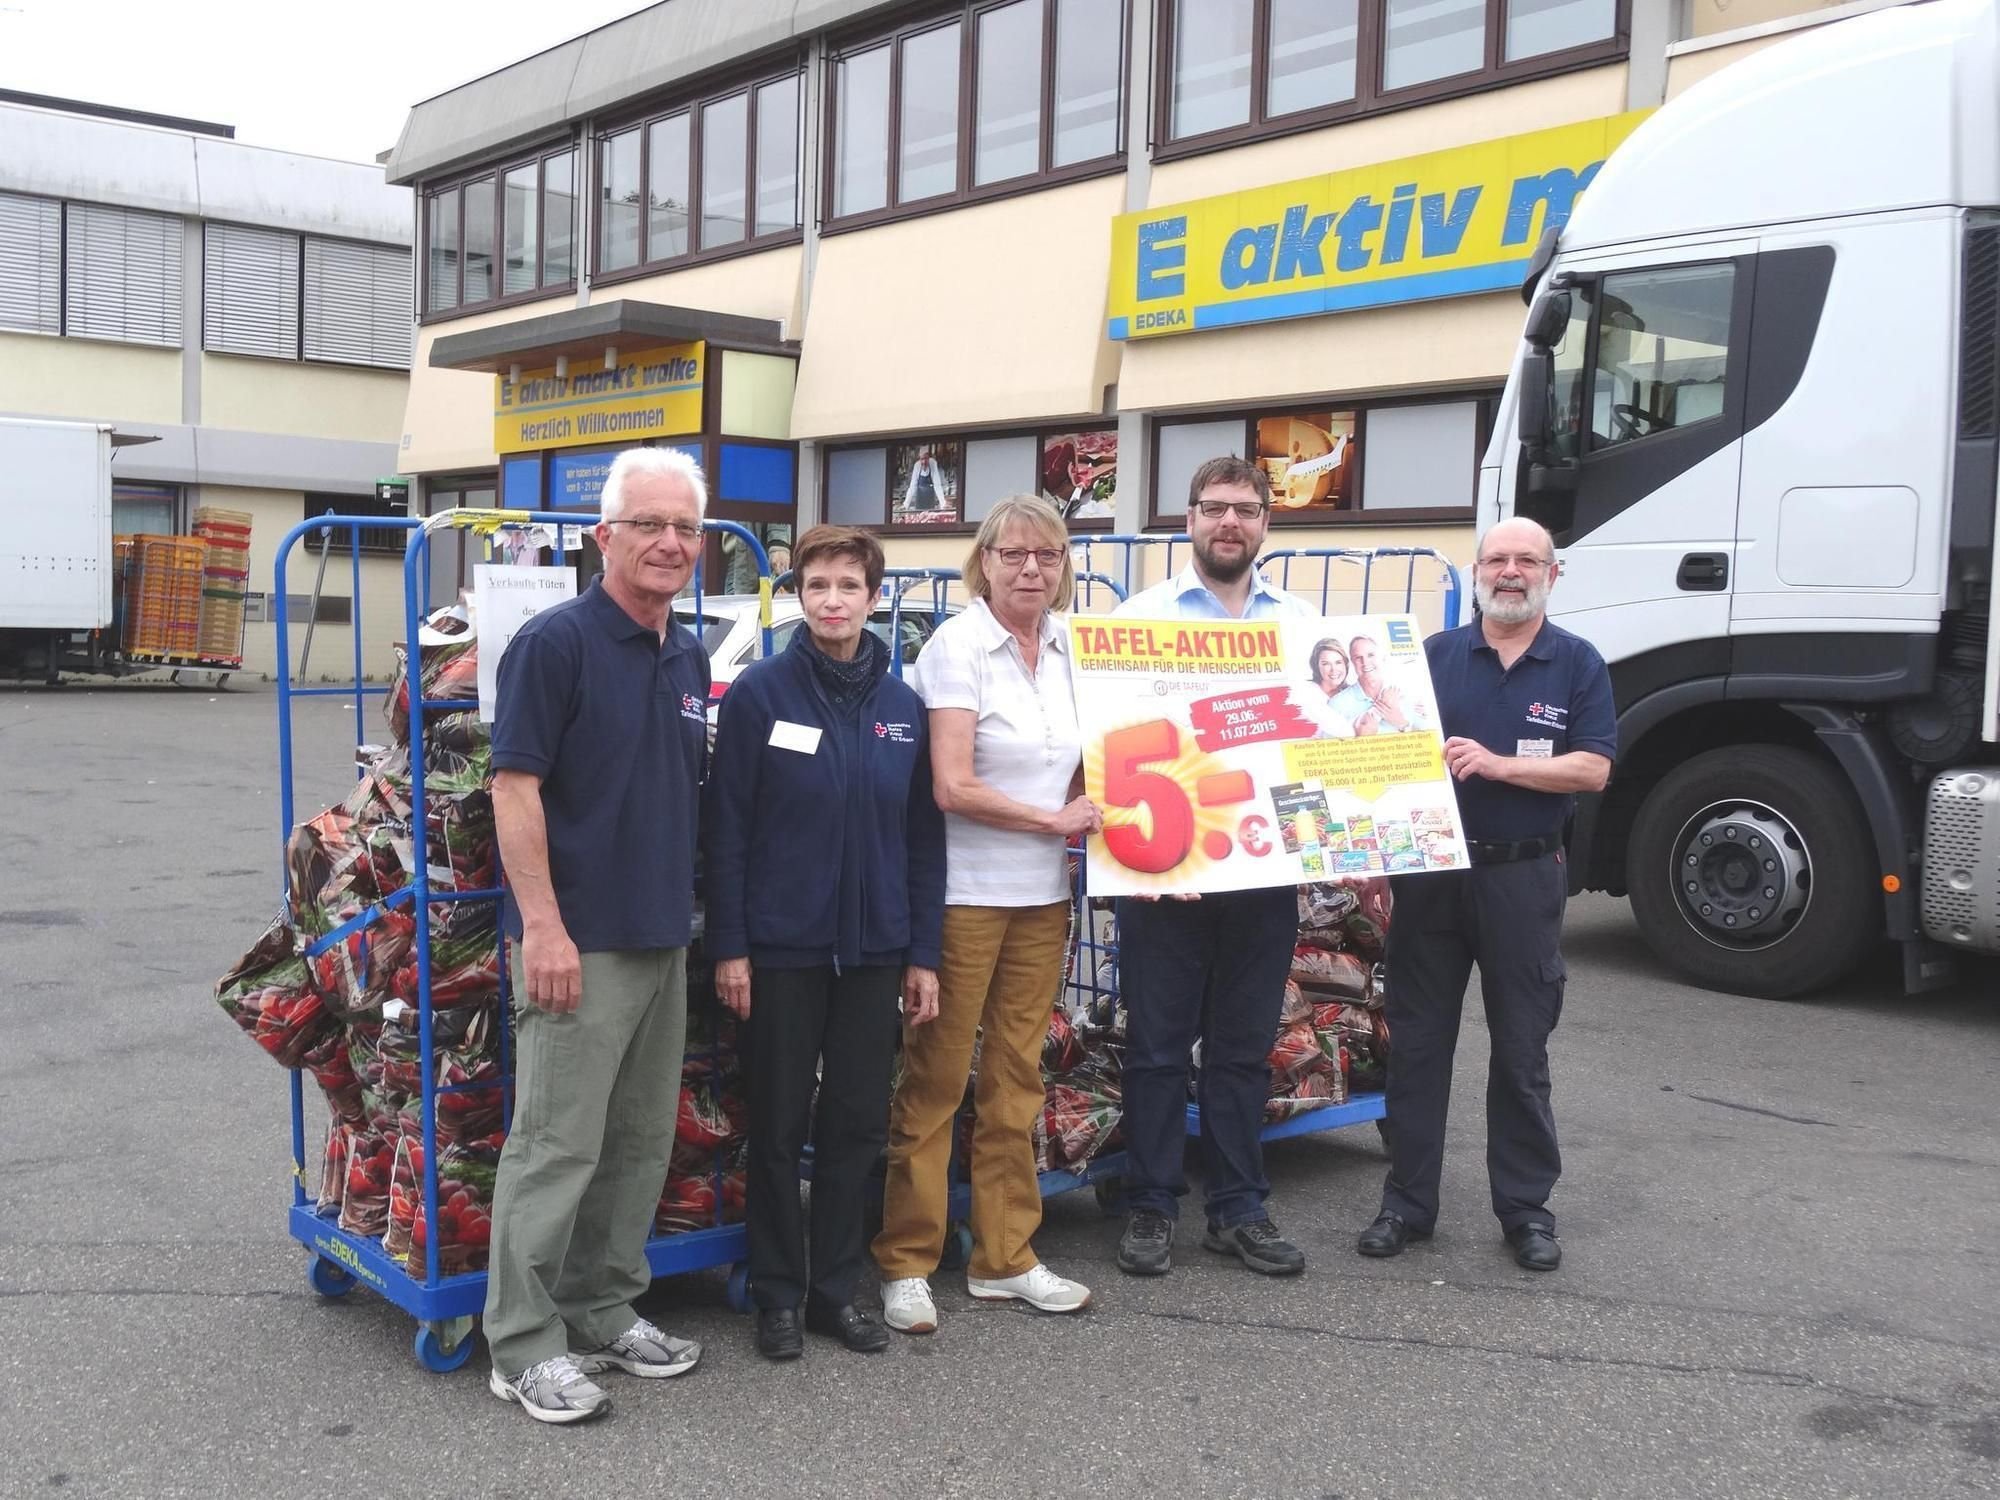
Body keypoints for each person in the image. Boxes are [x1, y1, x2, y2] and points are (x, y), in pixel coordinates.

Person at [484, 447, 711, 1425]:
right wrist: (542, 927)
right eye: (647, 525)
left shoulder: (688, 653)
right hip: (577, 943)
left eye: (684, 528)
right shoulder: (556, 644)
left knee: (634, 1143)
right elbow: (513, 788)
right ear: (602, 536)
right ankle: (522, 1345)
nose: (668, 543)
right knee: (553, 1147)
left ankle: (601, 1303)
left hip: (662, 936)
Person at [705, 525, 946, 1361]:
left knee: (853, 1126)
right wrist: (731, 947)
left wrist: (923, 955)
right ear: (798, 597)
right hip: (781, 950)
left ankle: (836, 1292)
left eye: (850, 586)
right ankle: (776, 1293)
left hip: (875, 952)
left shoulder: (902, 711)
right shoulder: (761, 697)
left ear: (874, 597)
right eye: (819, 587)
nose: (834, 601)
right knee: (775, 1124)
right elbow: (727, 830)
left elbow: (923, 843)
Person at [1357, 516, 1615, 1272]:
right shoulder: (1432, 659)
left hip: (1524, 878)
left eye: (1526, 560)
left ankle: (1526, 1212)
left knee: (1522, 1047)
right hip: (1432, 874)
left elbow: (1594, 769)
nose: (1510, 571)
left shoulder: (1577, 663)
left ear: (1551, 575)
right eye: (1497, 559)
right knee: (1417, 1043)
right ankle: (1406, 1204)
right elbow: (1380, 751)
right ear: (1477, 572)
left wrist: (1499, 766)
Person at [873, 495, 1101, 1332]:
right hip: (964, 897)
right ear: (985, 561)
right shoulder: (958, 646)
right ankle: (905, 1261)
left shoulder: (1079, 646)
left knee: (1016, 1079)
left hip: (1043, 897)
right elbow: (951, 785)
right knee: (934, 1081)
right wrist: (1055, 820)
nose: (1031, 569)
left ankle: (1006, 1256)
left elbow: (1093, 766)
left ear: (1064, 564)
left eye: (1046, 555)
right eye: (1013, 555)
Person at [1110, 456, 1318, 1279]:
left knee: (1241, 1048)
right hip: (1165, 873)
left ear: (1267, 522)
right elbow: (1113, 749)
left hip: (1263, 874)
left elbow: (1323, 746)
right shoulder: (1139, 619)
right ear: (1188, 520)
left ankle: (1239, 1206)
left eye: (1246, 509)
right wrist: (1136, 849)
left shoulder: (1302, 626)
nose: (1229, 522)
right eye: (1213, 508)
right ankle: (1152, 1205)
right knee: (1157, 1047)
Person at [1330, 633, 1435, 734]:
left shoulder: (1410, 695)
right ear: (1352, 662)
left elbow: (1431, 739)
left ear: (1383, 657)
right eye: (1358, 658)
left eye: (1371, 655)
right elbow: (1329, 749)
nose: (1365, 662)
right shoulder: (1337, 705)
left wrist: (1402, 723)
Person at [1305, 637, 1358, 739]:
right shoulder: (1306, 691)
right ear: (1316, 666)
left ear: (1345, 664)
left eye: (1338, 662)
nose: (1334, 669)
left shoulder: (1353, 695)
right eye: (1326, 664)